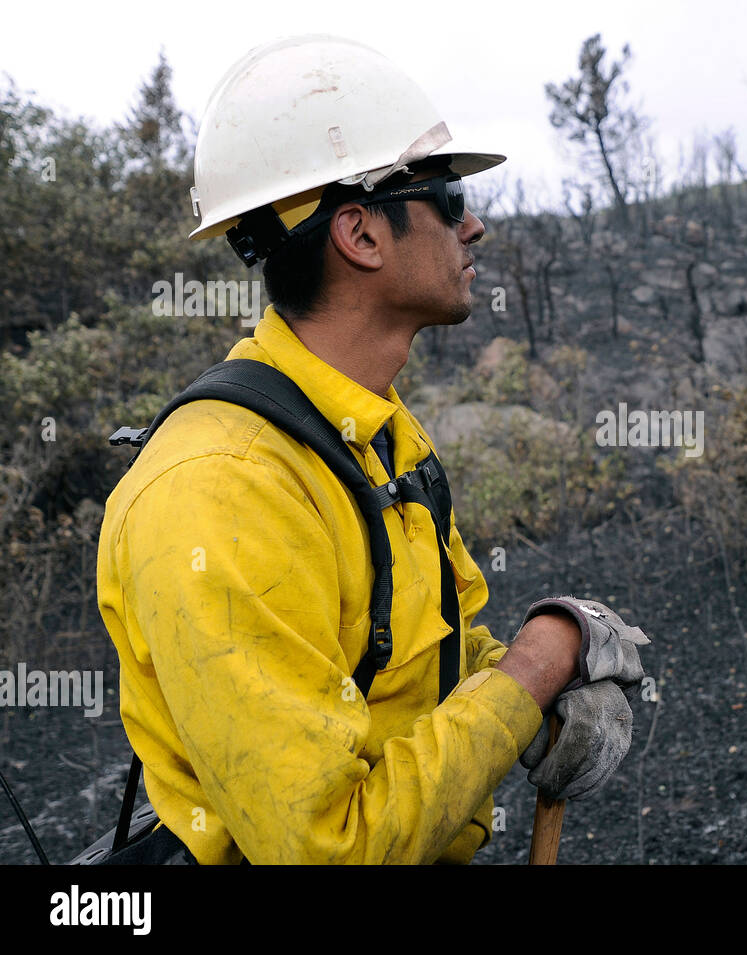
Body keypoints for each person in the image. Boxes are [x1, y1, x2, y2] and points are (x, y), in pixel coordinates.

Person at [96, 35, 648, 864]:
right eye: (447, 193)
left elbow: (421, 662)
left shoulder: (372, 433)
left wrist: (529, 689)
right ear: (359, 232)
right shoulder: (219, 492)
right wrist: (537, 666)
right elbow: (330, 847)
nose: (476, 222)